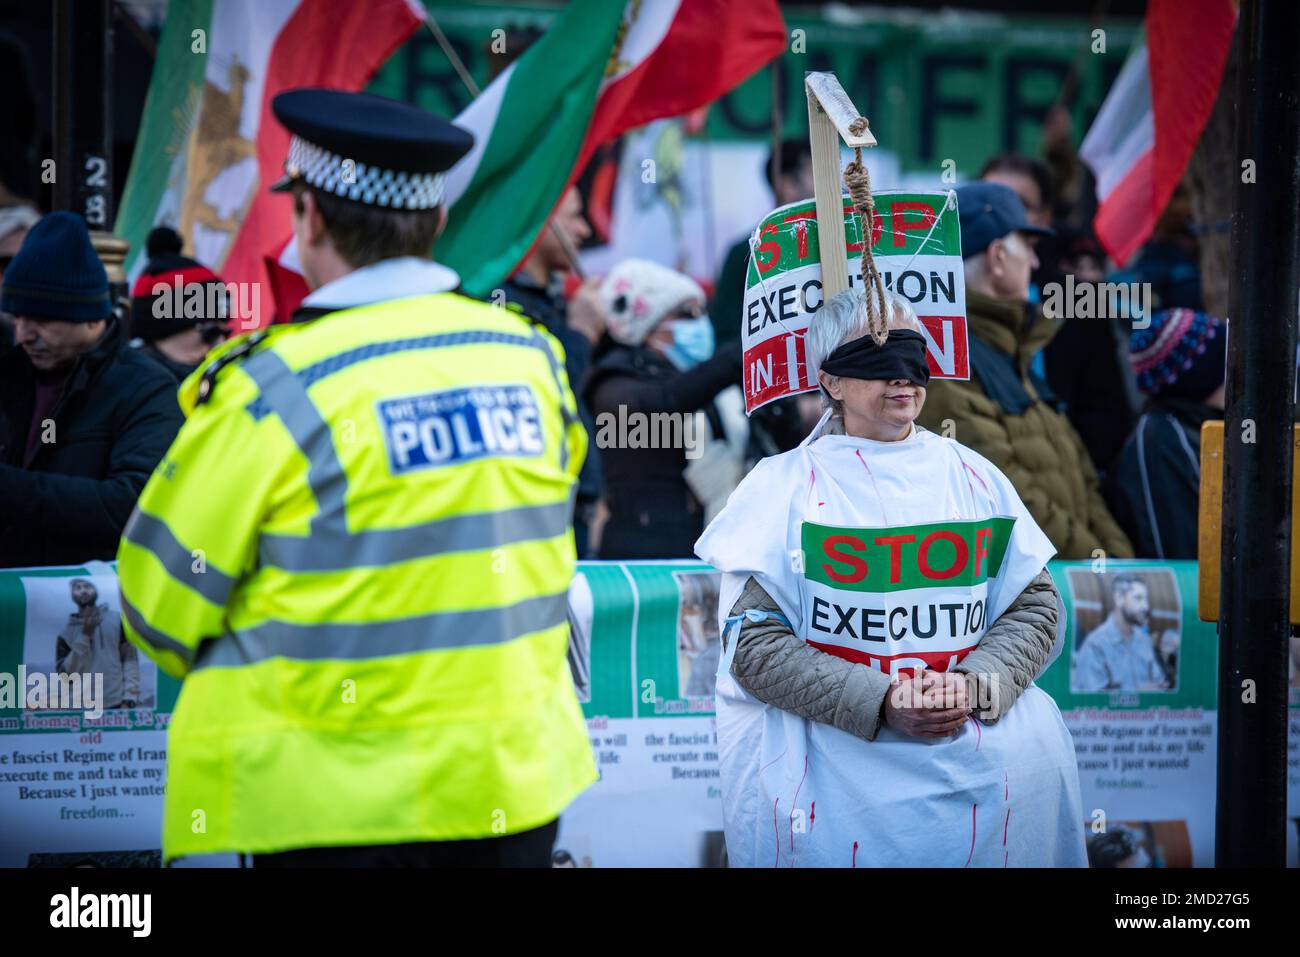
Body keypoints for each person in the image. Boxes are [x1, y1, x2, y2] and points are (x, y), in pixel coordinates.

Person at [117, 88, 596, 867]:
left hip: (328, 815)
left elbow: (156, 609)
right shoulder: (532, 358)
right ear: (436, 220)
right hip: (514, 795)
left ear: (305, 217)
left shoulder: (266, 389)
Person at [695, 287, 1086, 867]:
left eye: (912, 357)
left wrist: (976, 683)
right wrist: (883, 700)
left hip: (981, 765)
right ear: (830, 381)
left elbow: (1036, 608)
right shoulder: (781, 490)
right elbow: (755, 648)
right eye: (876, 362)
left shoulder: (973, 476)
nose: (902, 378)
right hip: (837, 781)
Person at [917, 181, 1133, 560]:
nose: (1035, 263)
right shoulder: (948, 371)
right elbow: (1012, 499)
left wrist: (1117, 565)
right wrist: (1101, 566)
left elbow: (1085, 484)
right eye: (1029, 248)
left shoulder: (1012, 356)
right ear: (997, 257)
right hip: (1036, 607)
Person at [0, 211, 183, 568]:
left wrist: (9, 488)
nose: (24, 334)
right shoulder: (10, 372)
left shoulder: (147, 389)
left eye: (41, 319)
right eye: (17, 318)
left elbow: (133, 505)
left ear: (92, 318)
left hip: (86, 609)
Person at [584, 258, 744, 559]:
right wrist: (740, 354)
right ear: (649, 325)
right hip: (640, 554)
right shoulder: (612, 383)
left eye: (702, 311)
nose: (700, 323)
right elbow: (663, 405)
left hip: (697, 544)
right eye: (688, 314)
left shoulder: (698, 383)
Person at [501, 186, 604, 556]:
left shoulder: (559, 301)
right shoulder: (501, 305)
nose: (585, 231)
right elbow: (536, 395)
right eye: (575, 216)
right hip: (535, 509)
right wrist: (578, 335)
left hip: (575, 504)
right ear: (541, 220)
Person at [712, 139, 817, 460]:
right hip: (775, 428)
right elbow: (730, 343)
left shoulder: (851, 249)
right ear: (786, 184)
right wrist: (788, 403)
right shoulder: (746, 256)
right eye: (821, 172)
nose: (837, 182)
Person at [1106, 309, 1225, 559]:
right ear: (1200, 377)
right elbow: (1178, 551)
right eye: (1224, 364)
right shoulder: (1160, 441)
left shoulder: (1203, 425)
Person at [128, 226, 230, 383]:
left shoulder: (227, 375)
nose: (219, 342)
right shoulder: (139, 386)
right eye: (208, 331)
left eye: (221, 329)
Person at [1072, 575, 1169, 692]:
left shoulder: (1144, 640)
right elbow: (1091, 699)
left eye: (1146, 599)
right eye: (1138, 598)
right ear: (1119, 598)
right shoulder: (1095, 644)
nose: (1145, 606)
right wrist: (1139, 693)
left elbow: (1160, 684)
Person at [55, 578, 139, 710]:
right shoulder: (65, 633)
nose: (83, 591)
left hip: (114, 704)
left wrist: (129, 698)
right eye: (78, 588)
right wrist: (84, 635)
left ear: (96, 591)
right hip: (78, 707)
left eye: (87, 586)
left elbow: (130, 660)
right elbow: (66, 677)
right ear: (72, 595)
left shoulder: (117, 620)